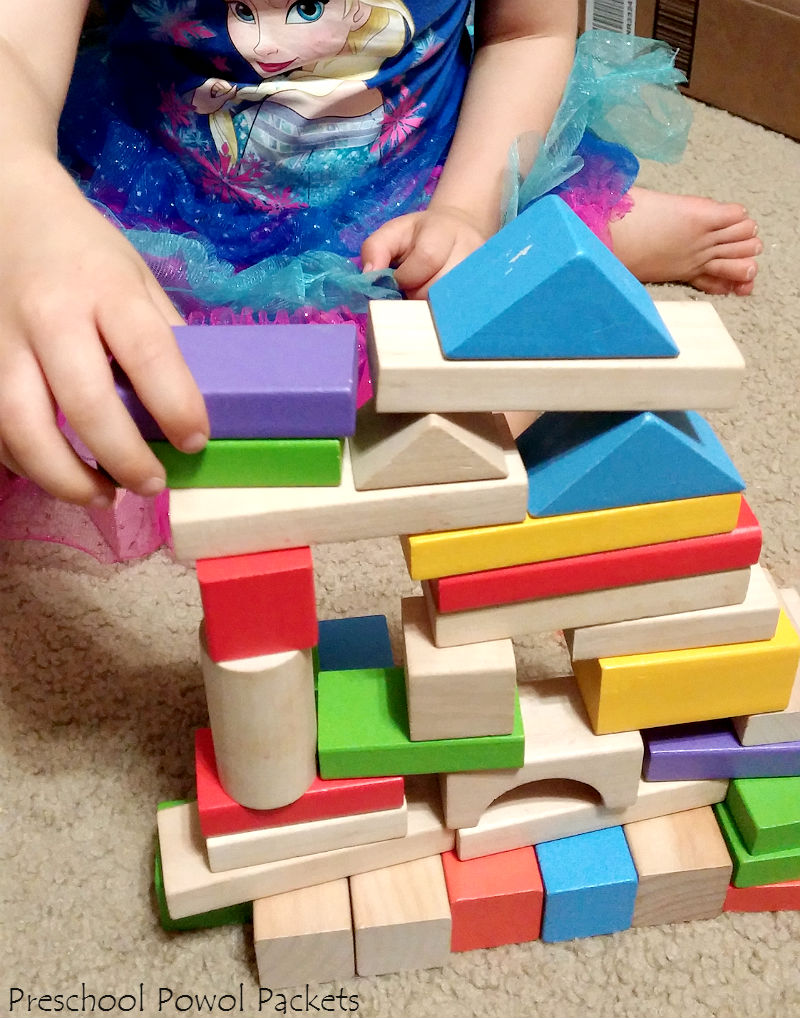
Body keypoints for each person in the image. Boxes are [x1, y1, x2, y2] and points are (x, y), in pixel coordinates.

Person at [0, 0, 761, 532]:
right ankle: (553, 234)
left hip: (418, 169)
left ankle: (559, 228)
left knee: (463, 253)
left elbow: (527, 33)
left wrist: (468, 213)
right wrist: (21, 193)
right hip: (170, 184)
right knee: (98, 355)